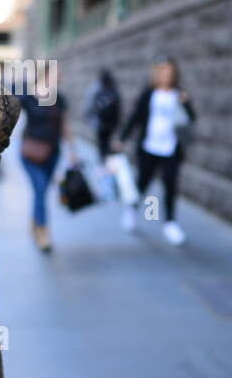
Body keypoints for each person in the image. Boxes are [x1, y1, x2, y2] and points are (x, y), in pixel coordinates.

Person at [117, 56, 195, 245]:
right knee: (142, 183)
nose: (167, 76)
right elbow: (136, 116)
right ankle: (132, 211)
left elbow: (191, 118)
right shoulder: (149, 93)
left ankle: (170, 223)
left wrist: (185, 103)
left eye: (170, 72)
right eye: (163, 72)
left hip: (171, 148)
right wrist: (122, 138)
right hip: (149, 147)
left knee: (170, 185)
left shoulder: (179, 94)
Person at [15, 64, 75, 253]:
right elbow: (11, 114)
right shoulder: (29, 97)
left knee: (41, 192)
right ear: (46, 74)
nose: (59, 77)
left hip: (52, 153)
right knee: (40, 189)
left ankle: (35, 222)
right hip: (30, 153)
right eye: (56, 73)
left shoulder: (60, 99)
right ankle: (43, 233)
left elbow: (64, 126)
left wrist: (73, 151)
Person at [84, 69, 122, 161]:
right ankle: (105, 159)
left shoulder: (100, 90)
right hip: (107, 123)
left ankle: (104, 160)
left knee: (103, 143)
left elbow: (91, 106)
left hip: (103, 123)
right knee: (105, 143)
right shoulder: (112, 90)